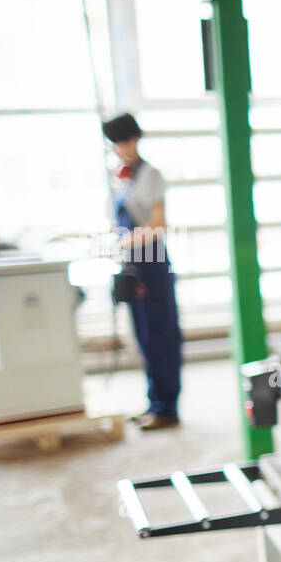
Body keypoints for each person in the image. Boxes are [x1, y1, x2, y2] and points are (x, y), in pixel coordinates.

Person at [103, 113, 182, 430]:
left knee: (161, 337)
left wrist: (123, 242)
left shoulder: (150, 175)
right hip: (133, 265)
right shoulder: (122, 177)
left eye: (122, 142)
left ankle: (167, 409)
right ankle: (154, 402)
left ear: (134, 140)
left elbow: (158, 226)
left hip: (152, 267)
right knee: (144, 339)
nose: (119, 149)